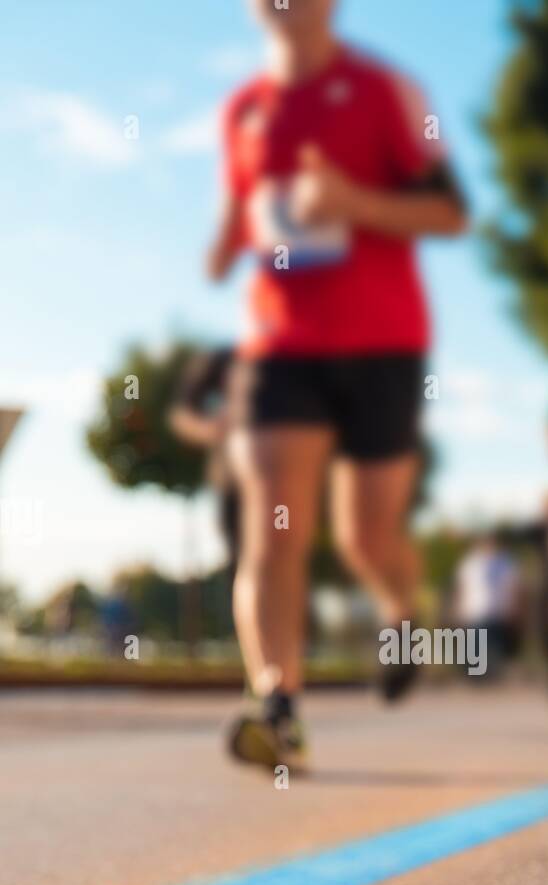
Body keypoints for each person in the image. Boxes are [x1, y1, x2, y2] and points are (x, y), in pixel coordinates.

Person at [208, 0, 468, 770]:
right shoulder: (243, 110)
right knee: (275, 530)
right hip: (280, 346)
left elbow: (452, 211)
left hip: (384, 344)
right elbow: (240, 205)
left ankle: (400, 609)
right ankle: (278, 709)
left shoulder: (390, 90)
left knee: (366, 536)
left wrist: (354, 204)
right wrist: (226, 245)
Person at [169, 347, 239, 576]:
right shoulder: (219, 361)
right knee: (240, 557)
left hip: (282, 483)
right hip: (232, 482)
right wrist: (213, 430)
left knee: (284, 547)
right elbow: (181, 415)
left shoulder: (285, 359)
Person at [453, 533, 523, 679]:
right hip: (474, 612)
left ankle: (487, 671)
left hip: (498, 613)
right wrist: (459, 609)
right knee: (475, 639)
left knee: (489, 639)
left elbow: (514, 588)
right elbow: (462, 588)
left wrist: (515, 609)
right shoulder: (470, 563)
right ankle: (478, 672)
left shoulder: (505, 562)